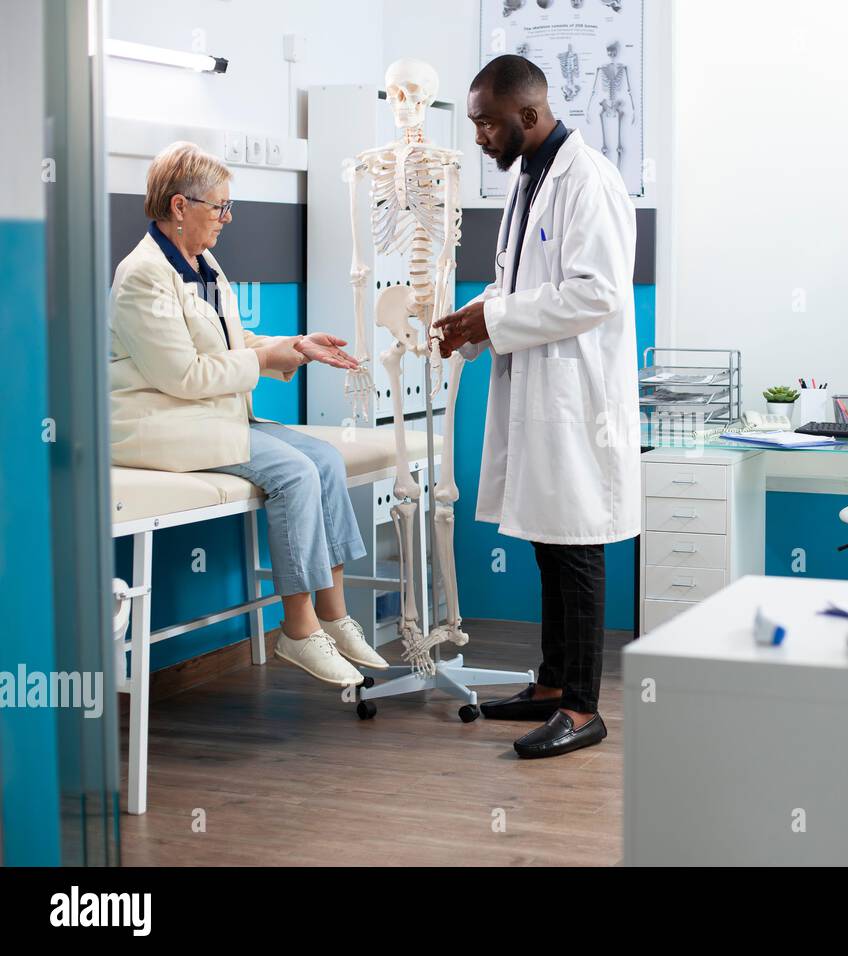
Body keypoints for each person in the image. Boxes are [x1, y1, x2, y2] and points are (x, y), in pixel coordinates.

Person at [110, 141, 388, 688]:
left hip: (207, 415)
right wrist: (261, 360)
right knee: (294, 472)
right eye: (218, 207)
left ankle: (332, 613)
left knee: (325, 460)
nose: (226, 219)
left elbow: (230, 344)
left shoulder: (203, 264)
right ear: (178, 206)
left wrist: (295, 344)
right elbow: (184, 375)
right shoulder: (142, 276)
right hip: (160, 423)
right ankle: (299, 628)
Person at [435, 56, 640, 759]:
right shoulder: (530, 178)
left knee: (576, 543)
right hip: (537, 391)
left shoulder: (590, 180)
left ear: (528, 115)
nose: (481, 138)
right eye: (474, 125)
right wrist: (473, 320)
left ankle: (582, 709)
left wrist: (497, 320)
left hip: (575, 397)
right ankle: (552, 685)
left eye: (487, 123)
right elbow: (511, 282)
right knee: (551, 542)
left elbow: (598, 291)